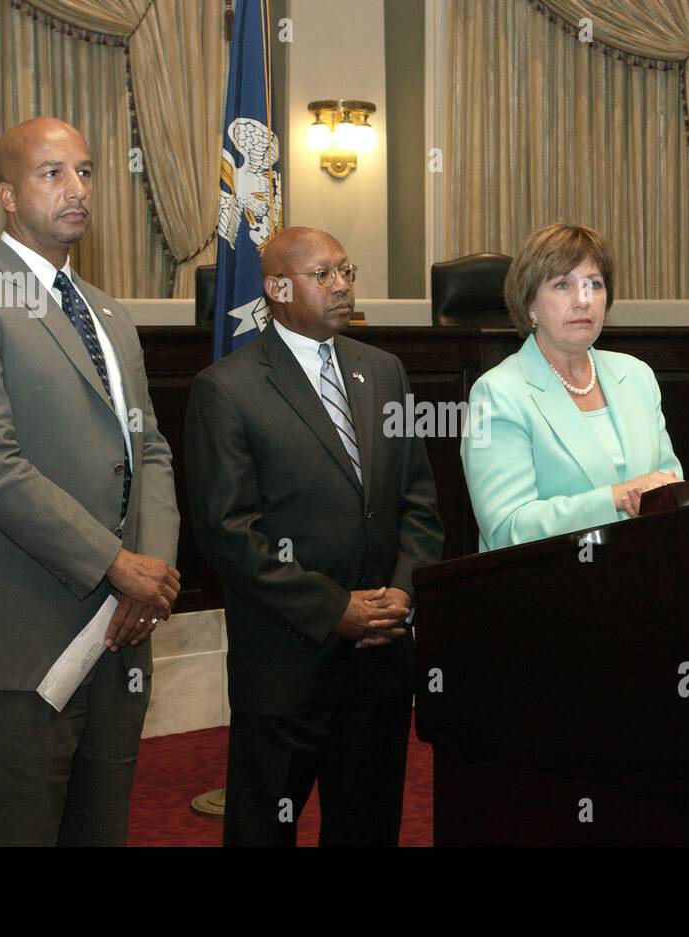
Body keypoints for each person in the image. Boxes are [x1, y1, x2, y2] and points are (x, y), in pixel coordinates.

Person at [0, 117, 181, 845]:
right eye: (52, 173)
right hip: (16, 643)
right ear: (6, 192)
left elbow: (149, 447)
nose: (77, 189)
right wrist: (117, 565)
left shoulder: (111, 313)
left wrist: (151, 575)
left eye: (86, 172)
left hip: (119, 638)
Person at [185, 226, 444, 846]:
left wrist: (403, 595)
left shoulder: (384, 372)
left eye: (346, 270)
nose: (342, 285)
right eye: (322, 274)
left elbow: (420, 504)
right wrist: (334, 610)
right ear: (276, 288)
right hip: (286, 666)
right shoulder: (226, 389)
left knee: (367, 829)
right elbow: (227, 533)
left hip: (379, 661)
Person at [460, 223, 683, 551]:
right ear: (530, 305)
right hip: (548, 586)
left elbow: (670, 485)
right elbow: (507, 528)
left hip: (644, 572)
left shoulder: (637, 376)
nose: (583, 300)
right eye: (562, 285)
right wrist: (616, 497)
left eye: (594, 283)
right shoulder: (495, 394)